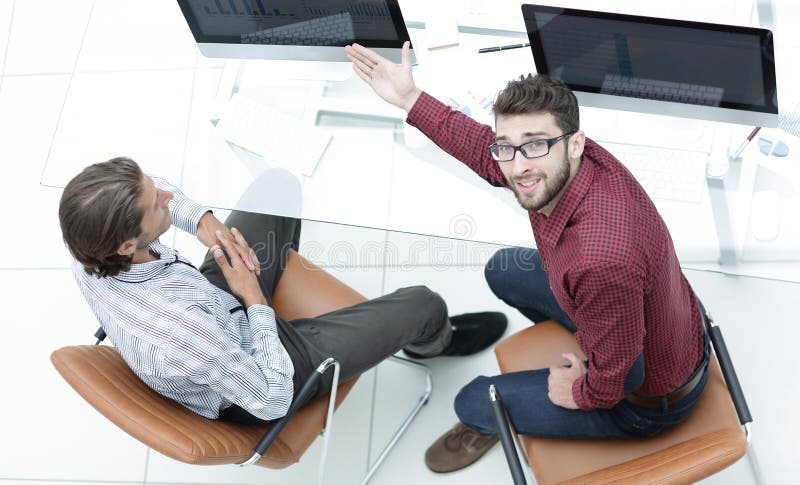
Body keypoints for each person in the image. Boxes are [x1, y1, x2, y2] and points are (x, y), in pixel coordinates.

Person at [345, 42, 710, 473]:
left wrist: (580, 390)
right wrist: (410, 98)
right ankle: (595, 335)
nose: (518, 168)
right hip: (655, 318)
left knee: (472, 401)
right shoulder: (578, 158)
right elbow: (487, 149)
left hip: (646, 396)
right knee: (503, 269)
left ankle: (562, 384)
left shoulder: (599, 260)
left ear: (574, 144)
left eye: (534, 145)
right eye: (508, 146)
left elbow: (624, 376)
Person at [58, 157, 507, 424]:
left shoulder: (86, 246)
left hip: (210, 311)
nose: (165, 196)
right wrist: (254, 297)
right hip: (261, 372)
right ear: (127, 244)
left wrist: (201, 219)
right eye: (154, 203)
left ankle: (276, 284)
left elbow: (158, 191)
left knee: (276, 187)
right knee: (425, 304)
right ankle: (432, 343)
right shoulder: (182, 337)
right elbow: (271, 400)